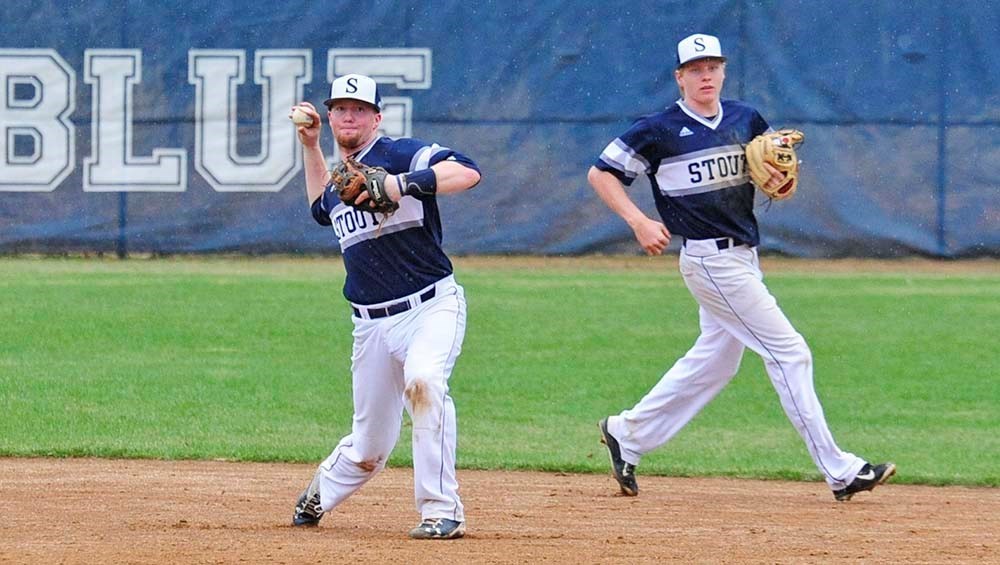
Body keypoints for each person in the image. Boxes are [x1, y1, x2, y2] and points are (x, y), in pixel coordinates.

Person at [587, 34, 895, 502]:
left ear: (723, 72)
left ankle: (627, 433)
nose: (705, 75)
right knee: (790, 352)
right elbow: (601, 172)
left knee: (717, 362)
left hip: (743, 256)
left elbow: (766, 169)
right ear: (680, 77)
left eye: (712, 66)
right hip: (710, 260)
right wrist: (638, 220)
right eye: (695, 68)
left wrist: (773, 177)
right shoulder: (658, 129)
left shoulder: (745, 118)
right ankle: (840, 470)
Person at [289, 73, 481, 539]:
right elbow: (320, 208)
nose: (348, 115)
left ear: (376, 117)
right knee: (369, 446)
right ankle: (320, 491)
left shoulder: (397, 154)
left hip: (430, 306)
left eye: (359, 109)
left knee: (425, 382)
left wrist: (398, 186)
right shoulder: (341, 176)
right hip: (370, 324)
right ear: (331, 117)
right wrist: (312, 147)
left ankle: (441, 510)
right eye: (340, 108)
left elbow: (468, 171)